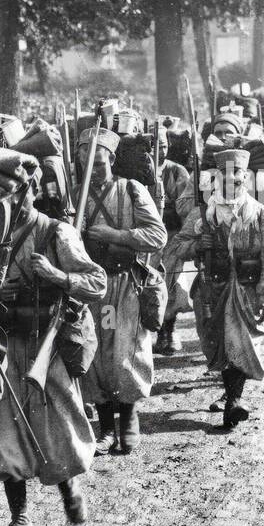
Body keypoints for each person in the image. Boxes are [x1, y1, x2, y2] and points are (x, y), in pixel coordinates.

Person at [0, 181, 105, 526]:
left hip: (47, 344)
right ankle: (19, 517)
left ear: (32, 191)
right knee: (5, 429)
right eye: (3, 195)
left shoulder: (56, 231)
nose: (10, 202)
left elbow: (97, 282)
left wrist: (57, 275)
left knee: (59, 424)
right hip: (5, 342)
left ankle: (69, 486)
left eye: (17, 193)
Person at [77, 127, 167, 454]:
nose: (94, 171)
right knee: (96, 353)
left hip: (124, 282)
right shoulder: (76, 196)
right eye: (86, 164)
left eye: (99, 164)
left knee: (124, 351)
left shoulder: (131, 190)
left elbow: (157, 236)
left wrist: (115, 235)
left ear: (111, 160)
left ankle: (128, 419)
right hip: (91, 287)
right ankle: (105, 429)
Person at [191, 150, 264, 429]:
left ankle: (233, 401)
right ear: (217, 179)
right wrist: (200, 245)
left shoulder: (259, 212)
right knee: (218, 343)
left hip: (247, 289)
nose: (231, 182)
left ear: (245, 177)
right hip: (214, 289)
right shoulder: (205, 214)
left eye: (237, 176)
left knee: (240, 342)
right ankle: (233, 399)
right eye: (225, 177)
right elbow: (188, 250)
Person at [153, 133, 194, 356]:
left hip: (171, 235)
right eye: (156, 145)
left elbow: (184, 206)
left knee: (171, 284)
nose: (160, 150)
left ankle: (169, 331)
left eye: (164, 146)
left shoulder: (177, 171)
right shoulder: (142, 168)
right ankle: (156, 332)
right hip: (148, 239)